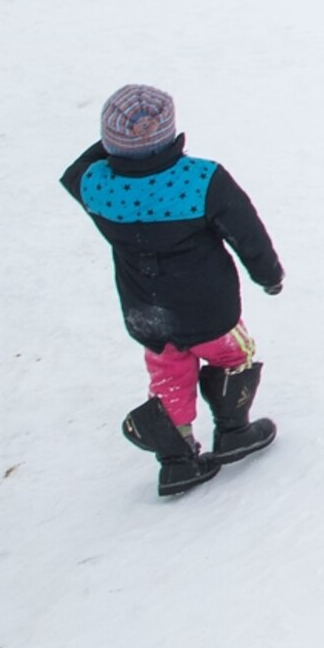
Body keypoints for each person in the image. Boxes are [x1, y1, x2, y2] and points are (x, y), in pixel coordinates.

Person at [60, 86, 283, 498]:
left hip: (147, 312)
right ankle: (233, 430)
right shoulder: (202, 180)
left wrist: (121, 143)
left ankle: (177, 461)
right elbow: (246, 231)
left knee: (169, 374)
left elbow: (77, 168)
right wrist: (268, 274)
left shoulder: (96, 187)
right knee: (235, 355)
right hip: (210, 309)